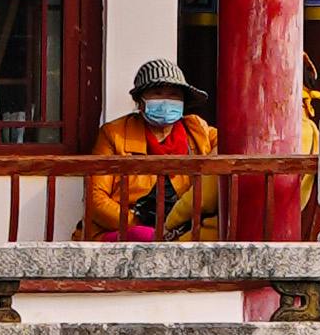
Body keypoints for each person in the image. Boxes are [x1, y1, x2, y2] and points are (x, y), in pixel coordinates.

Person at [86, 57, 220, 235]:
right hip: (123, 228)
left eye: (174, 95)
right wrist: (138, 222)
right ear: (140, 102)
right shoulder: (114, 134)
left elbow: (232, 145)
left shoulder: (198, 130)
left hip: (181, 228)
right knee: (145, 236)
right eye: (157, 93)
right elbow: (95, 199)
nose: (166, 101)